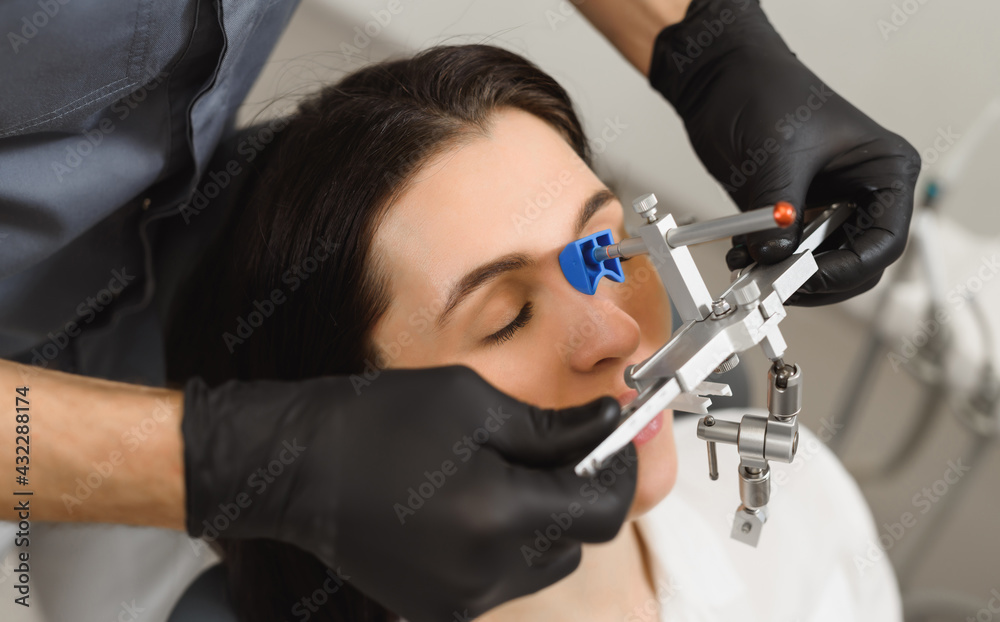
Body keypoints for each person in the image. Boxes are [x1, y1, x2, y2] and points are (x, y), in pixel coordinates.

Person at [0, 0, 919, 619]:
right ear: (348, 413)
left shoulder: (799, 513)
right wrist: (248, 465)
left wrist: (708, 41)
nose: (620, 337)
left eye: (611, 250)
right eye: (507, 317)